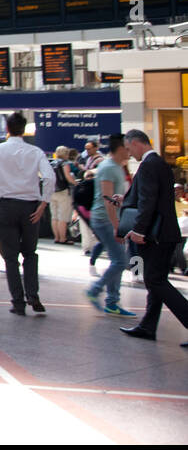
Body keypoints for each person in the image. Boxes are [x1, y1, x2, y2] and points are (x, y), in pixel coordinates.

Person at [0, 112, 54, 315]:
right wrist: (43, 204)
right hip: (30, 208)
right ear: (24, 129)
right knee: (30, 254)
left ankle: (18, 303)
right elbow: (50, 178)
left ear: (7, 129)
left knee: (10, 257)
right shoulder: (35, 152)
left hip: (6, 207)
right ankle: (33, 296)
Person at [118, 130, 188, 346]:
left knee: (154, 280)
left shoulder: (148, 165)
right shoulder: (160, 164)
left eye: (129, 149)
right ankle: (148, 326)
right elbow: (154, 197)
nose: (130, 154)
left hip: (156, 234)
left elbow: (148, 201)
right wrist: (127, 198)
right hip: (166, 232)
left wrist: (139, 230)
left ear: (137, 143)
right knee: (156, 279)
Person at [83, 134, 136, 318]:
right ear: (120, 148)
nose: (129, 151)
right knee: (120, 261)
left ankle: (112, 302)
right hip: (104, 220)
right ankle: (96, 290)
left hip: (109, 220)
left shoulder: (116, 167)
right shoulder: (108, 168)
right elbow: (108, 200)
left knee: (118, 260)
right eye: (127, 148)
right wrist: (117, 227)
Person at [48, 145, 78, 244]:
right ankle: (63, 238)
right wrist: (76, 183)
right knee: (63, 216)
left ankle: (56, 237)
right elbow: (67, 176)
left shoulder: (51, 163)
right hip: (63, 191)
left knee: (54, 216)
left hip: (52, 191)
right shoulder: (65, 163)